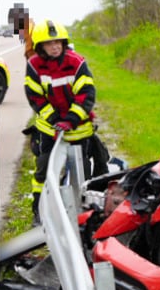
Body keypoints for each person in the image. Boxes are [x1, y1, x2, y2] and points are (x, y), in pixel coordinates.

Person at [23, 19, 108, 224]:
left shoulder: (76, 62)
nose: (55, 47)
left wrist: (71, 119)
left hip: (79, 128)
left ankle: (87, 214)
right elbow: (35, 97)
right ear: (40, 47)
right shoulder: (34, 66)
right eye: (49, 43)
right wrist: (53, 119)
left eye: (58, 42)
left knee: (84, 172)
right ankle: (40, 210)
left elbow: (86, 94)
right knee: (43, 169)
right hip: (49, 129)